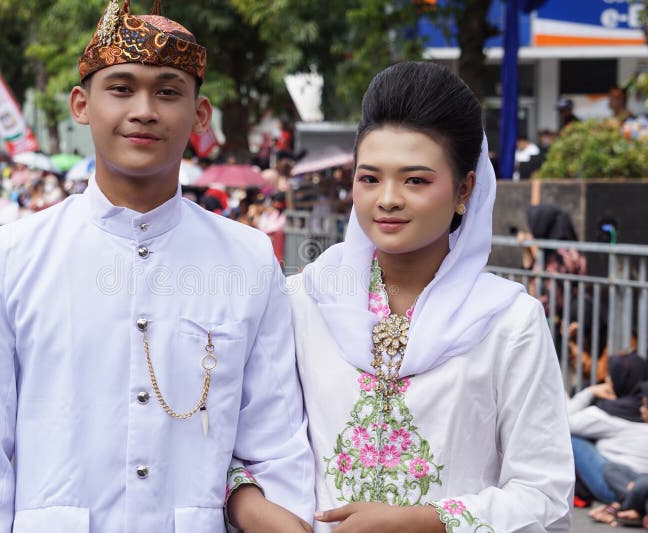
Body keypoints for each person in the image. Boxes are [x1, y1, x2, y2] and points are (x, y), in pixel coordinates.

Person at [0, 1, 314, 531]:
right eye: (122, 88)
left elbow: (275, 445)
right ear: (82, 104)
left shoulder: (246, 261)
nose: (145, 110)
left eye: (169, 91)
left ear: (200, 115)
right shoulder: (13, 257)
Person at [233, 62, 574, 530]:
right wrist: (249, 504)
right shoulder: (303, 300)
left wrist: (426, 520)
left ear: (464, 190)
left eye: (415, 180)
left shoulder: (509, 321)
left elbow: (546, 494)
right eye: (369, 178)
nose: (387, 199)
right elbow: (236, 441)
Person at [567, 352, 648, 507]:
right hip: (641, 485)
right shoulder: (643, 405)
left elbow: (562, 423)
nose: (607, 380)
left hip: (615, 487)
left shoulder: (608, 414)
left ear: (621, 380)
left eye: (611, 376)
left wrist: (589, 392)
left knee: (571, 438)